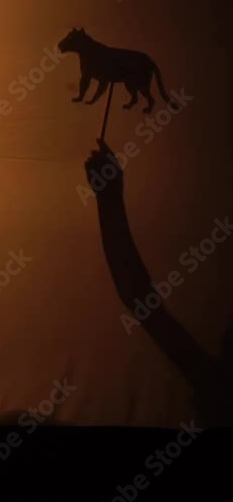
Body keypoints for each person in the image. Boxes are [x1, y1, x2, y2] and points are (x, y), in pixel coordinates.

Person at [86, 139, 231, 426]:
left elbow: (139, 298)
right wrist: (109, 199)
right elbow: (140, 299)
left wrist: (109, 200)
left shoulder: (218, 386)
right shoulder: (215, 383)